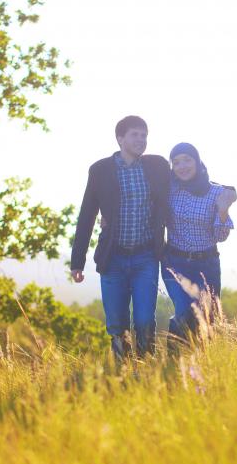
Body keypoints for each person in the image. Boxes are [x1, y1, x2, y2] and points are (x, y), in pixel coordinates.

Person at [70, 116, 170, 359]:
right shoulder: (100, 170)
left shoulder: (156, 166)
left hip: (146, 257)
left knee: (145, 319)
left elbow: (187, 176)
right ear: (120, 138)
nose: (141, 140)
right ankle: (122, 375)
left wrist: (226, 190)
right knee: (117, 323)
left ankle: (146, 372)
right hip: (112, 258)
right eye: (135, 134)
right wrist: (77, 262)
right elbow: (87, 215)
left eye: (144, 135)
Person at [162, 142, 237, 342]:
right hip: (175, 263)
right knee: (186, 309)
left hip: (207, 264)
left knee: (206, 318)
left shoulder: (216, 193)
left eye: (187, 160)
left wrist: (222, 211)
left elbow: (221, 237)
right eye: (176, 162)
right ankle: (174, 359)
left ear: (197, 161)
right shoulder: (169, 188)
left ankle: (200, 363)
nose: (182, 166)